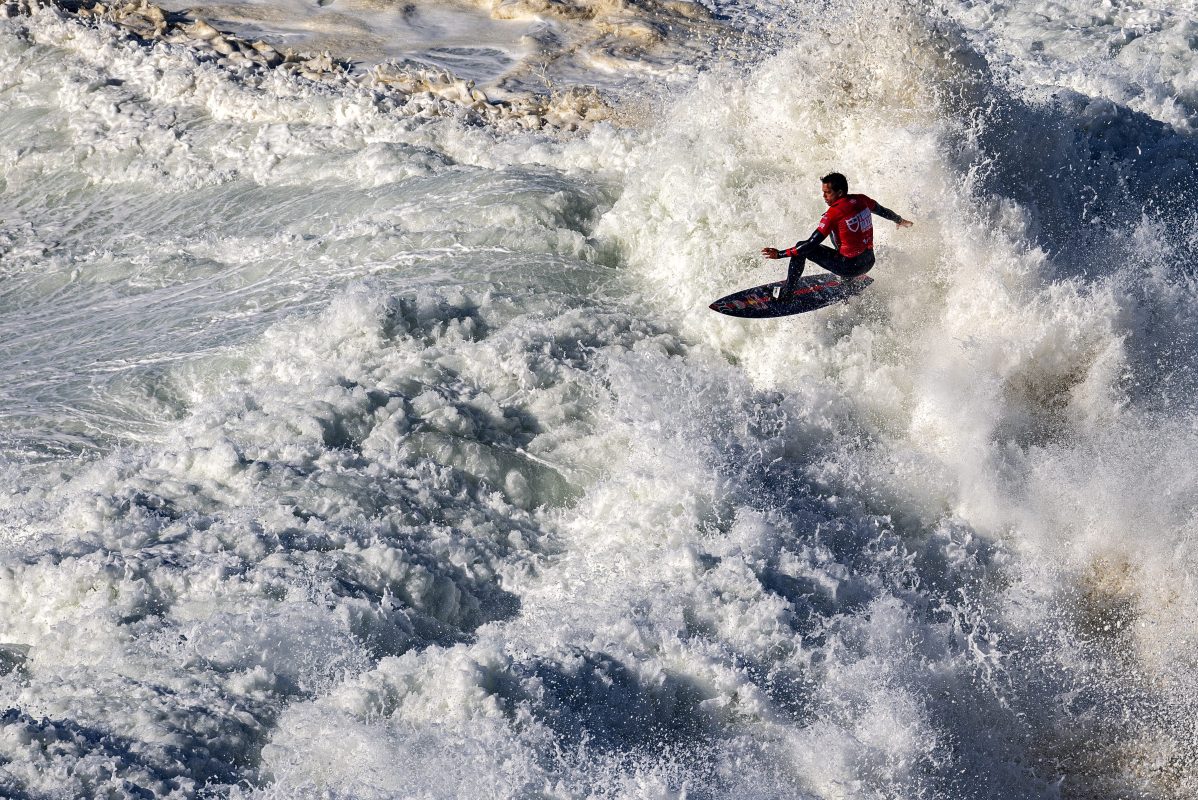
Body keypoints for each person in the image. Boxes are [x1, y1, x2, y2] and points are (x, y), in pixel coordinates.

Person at [761, 172, 913, 301]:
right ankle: (848, 283)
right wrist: (899, 220)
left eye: (827, 193)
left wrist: (780, 254)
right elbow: (882, 211)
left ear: (840, 193)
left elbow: (811, 244)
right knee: (843, 233)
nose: (824, 196)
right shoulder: (862, 200)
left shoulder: (833, 214)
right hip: (868, 261)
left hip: (849, 268)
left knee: (801, 248)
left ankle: (787, 294)